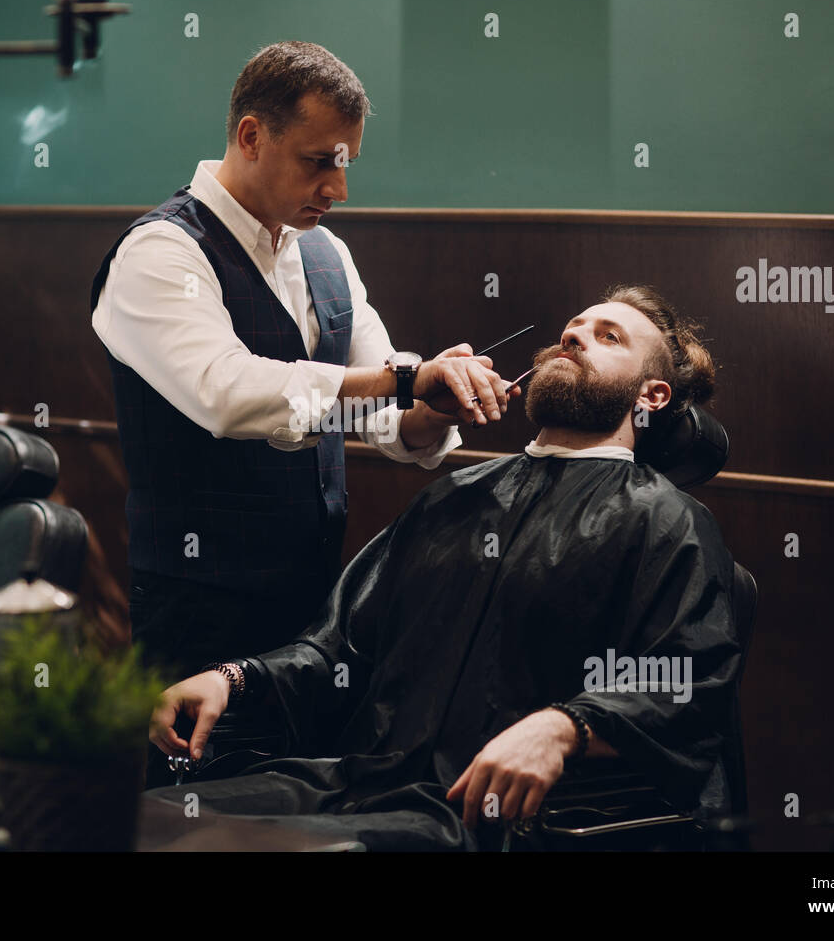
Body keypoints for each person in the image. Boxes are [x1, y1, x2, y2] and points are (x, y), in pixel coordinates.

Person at [146, 286, 742, 851]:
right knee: (145, 818)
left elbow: (683, 684)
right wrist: (234, 677)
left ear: (652, 395)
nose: (575, 337)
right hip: (356, 781)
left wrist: (565, 727)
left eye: (609, 336)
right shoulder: (453, 496)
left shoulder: (667, 523)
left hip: (490, 814)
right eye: (572, 328)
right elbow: (338, 653)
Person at [90, 41, 518, 678]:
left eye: (346, 164)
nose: (339, 188)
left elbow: (381, 406)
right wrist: (406, 379)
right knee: (202, 780)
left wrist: (430, 407)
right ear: (252, 135)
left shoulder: (326, 253)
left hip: (319, 610)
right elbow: (226, 394)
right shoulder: (160, 254)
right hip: (199, 608)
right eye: (319, 162)